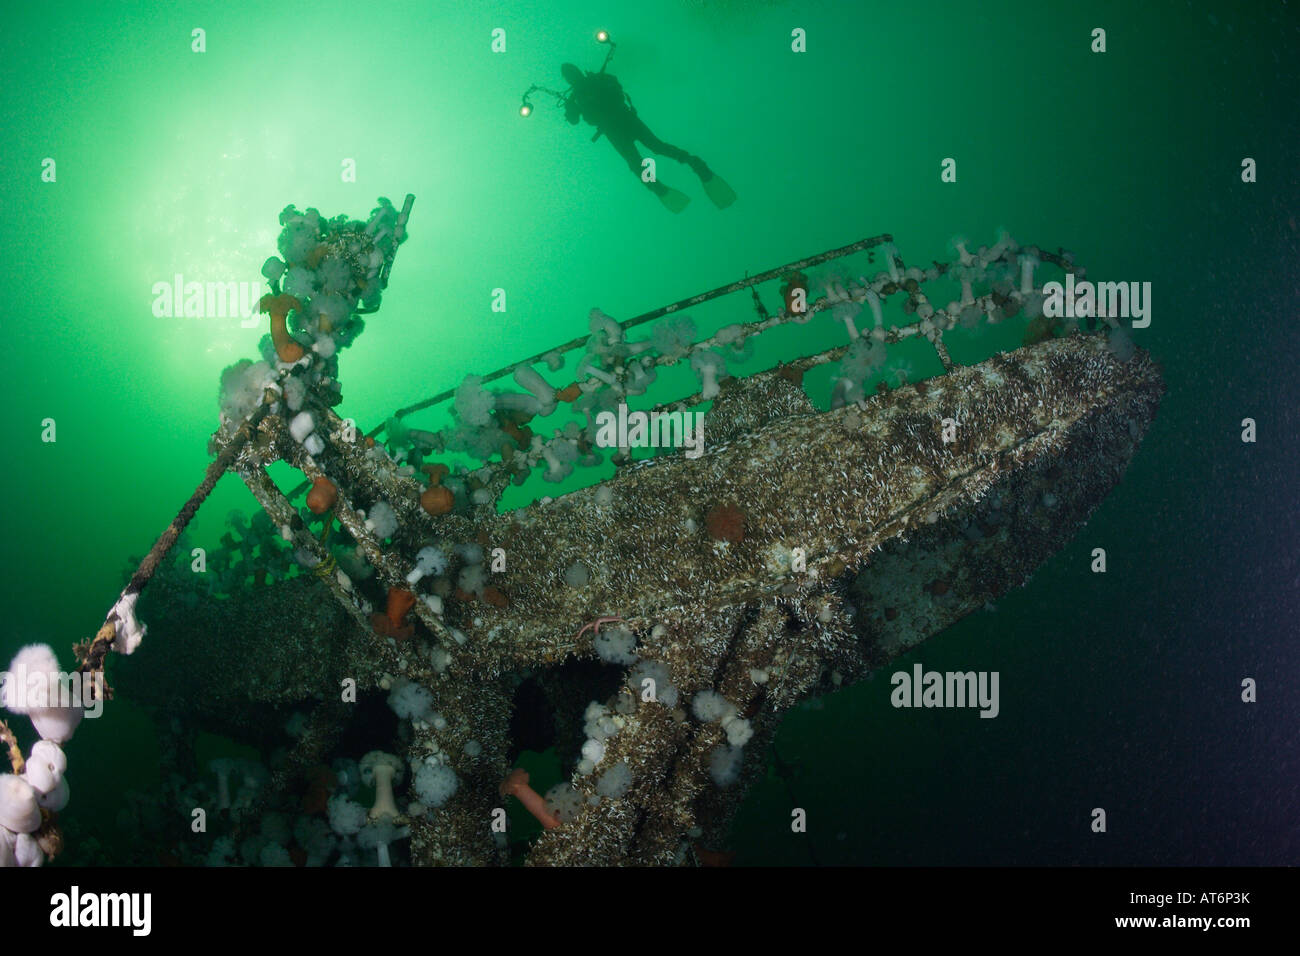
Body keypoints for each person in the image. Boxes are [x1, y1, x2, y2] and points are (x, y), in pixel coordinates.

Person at [560, 62, 736, 213]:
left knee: (652, 150)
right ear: (569, 79)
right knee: (640, 159)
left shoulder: (594, 81)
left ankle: (689, 166)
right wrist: (570, 109)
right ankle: (660, 184)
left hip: (623, 121)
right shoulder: (575, 98)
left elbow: (615, 86)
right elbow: (575, 120)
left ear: (576, 72)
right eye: (569, 76)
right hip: (618, 127)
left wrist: (577, 104)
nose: (572, 77)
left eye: (571, 74)